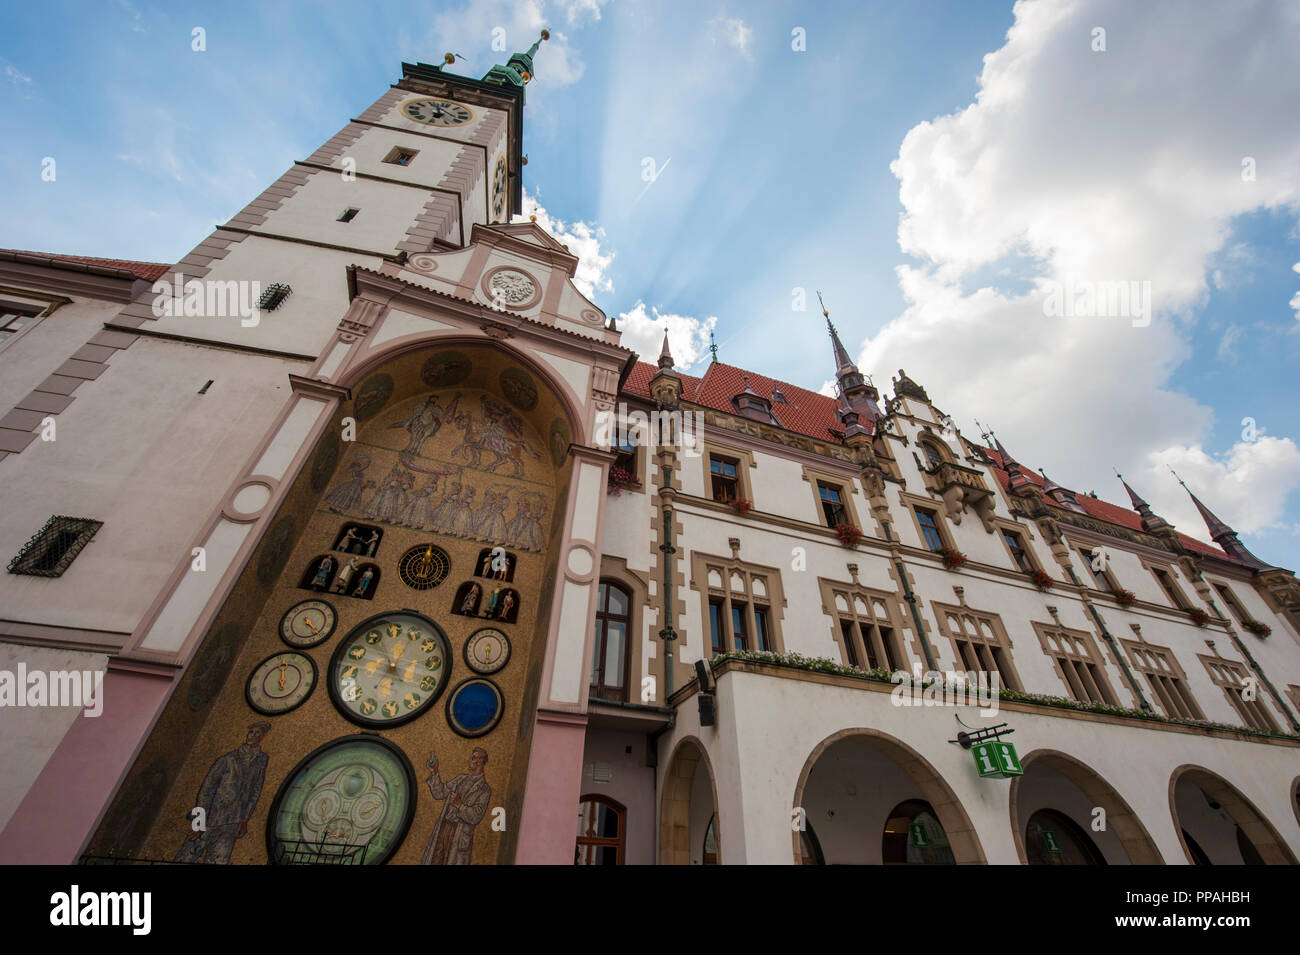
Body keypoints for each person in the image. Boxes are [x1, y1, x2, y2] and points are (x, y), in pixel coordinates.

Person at [175, 723, 271, 864]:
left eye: (257, 733)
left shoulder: (261, 761)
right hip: (210, 818)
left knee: (218, 860)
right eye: (251, 732)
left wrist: (244, 819)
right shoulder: (228, 759)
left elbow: (255, 792)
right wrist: (198, 822)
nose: (253, 735)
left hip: (231, 823)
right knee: (186, 857)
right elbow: (206, 790)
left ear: (263, 736)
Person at [421, 747, 491, 865]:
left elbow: (475, 816)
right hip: (444, 828)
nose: (470, 760)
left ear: (479, 762)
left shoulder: (484, 789)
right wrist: (434, 772)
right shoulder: (461, 779)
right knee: (435, 860)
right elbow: (440, 793)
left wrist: (459, 805)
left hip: (458, 834)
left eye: (473, 758)